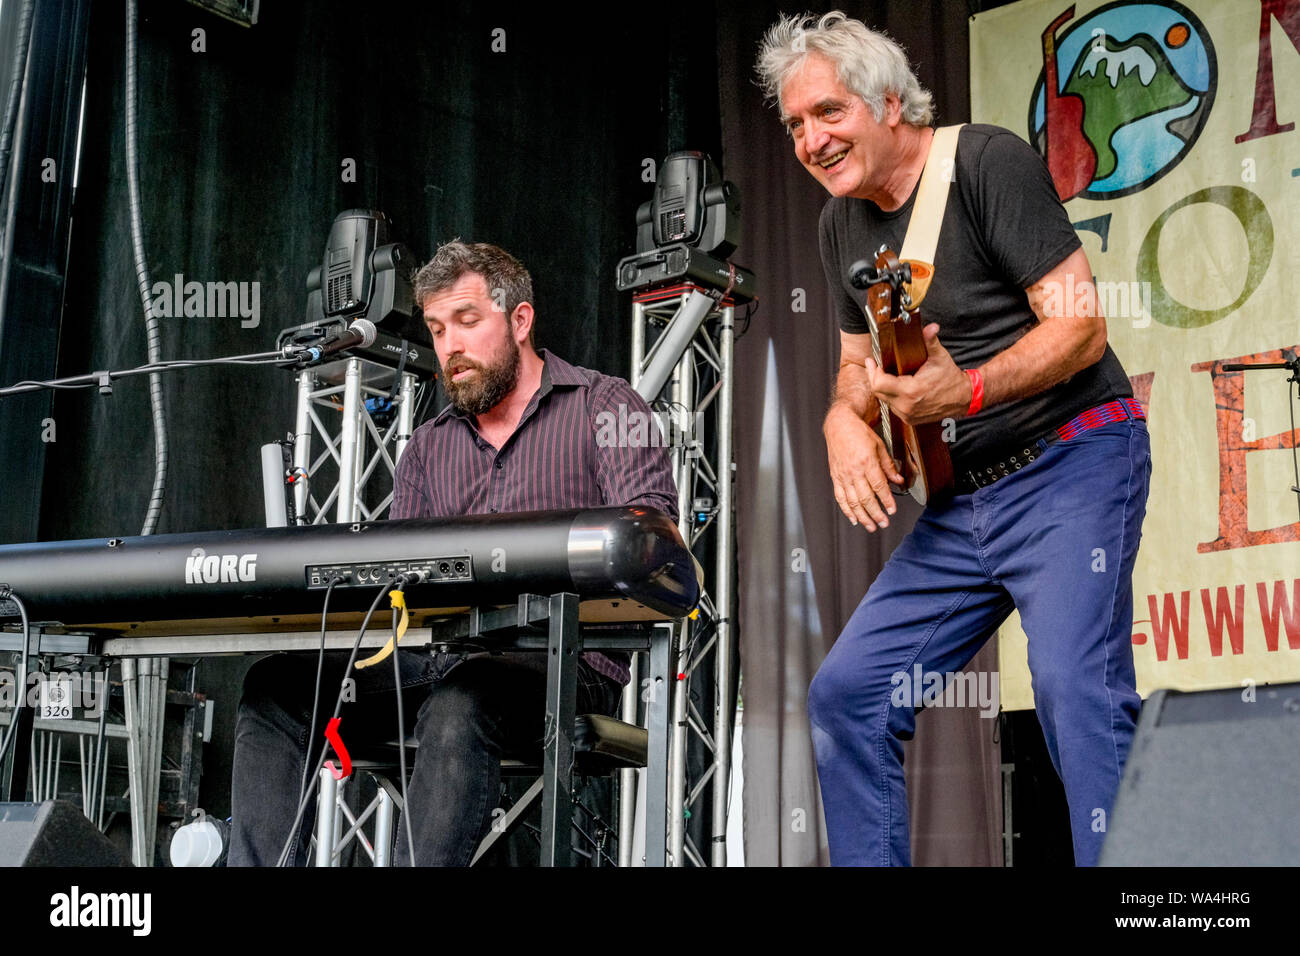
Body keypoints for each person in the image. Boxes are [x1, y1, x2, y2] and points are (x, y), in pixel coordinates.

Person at [756, 11, 1151, 866]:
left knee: (1074, 689)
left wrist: (963, 389)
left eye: (828, 113)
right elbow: (855, 370)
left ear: (889, 102)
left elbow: (1083, 329)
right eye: (794, 125)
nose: (811, 140)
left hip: (1072, 461)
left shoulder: (985, 160)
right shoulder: (840, 226)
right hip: (963, 505)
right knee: (848, 698)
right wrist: (839, 424)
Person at [229, 240, 678, 866]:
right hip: (435, 661)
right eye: (438, 329)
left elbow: (652, 549)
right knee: (277, 687)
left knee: (465, 698)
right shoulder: (428, 448)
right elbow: (391, 585)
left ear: (520, 321)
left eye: (467, 322)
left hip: (561, 668)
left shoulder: (607, 407)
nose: (450, 348)